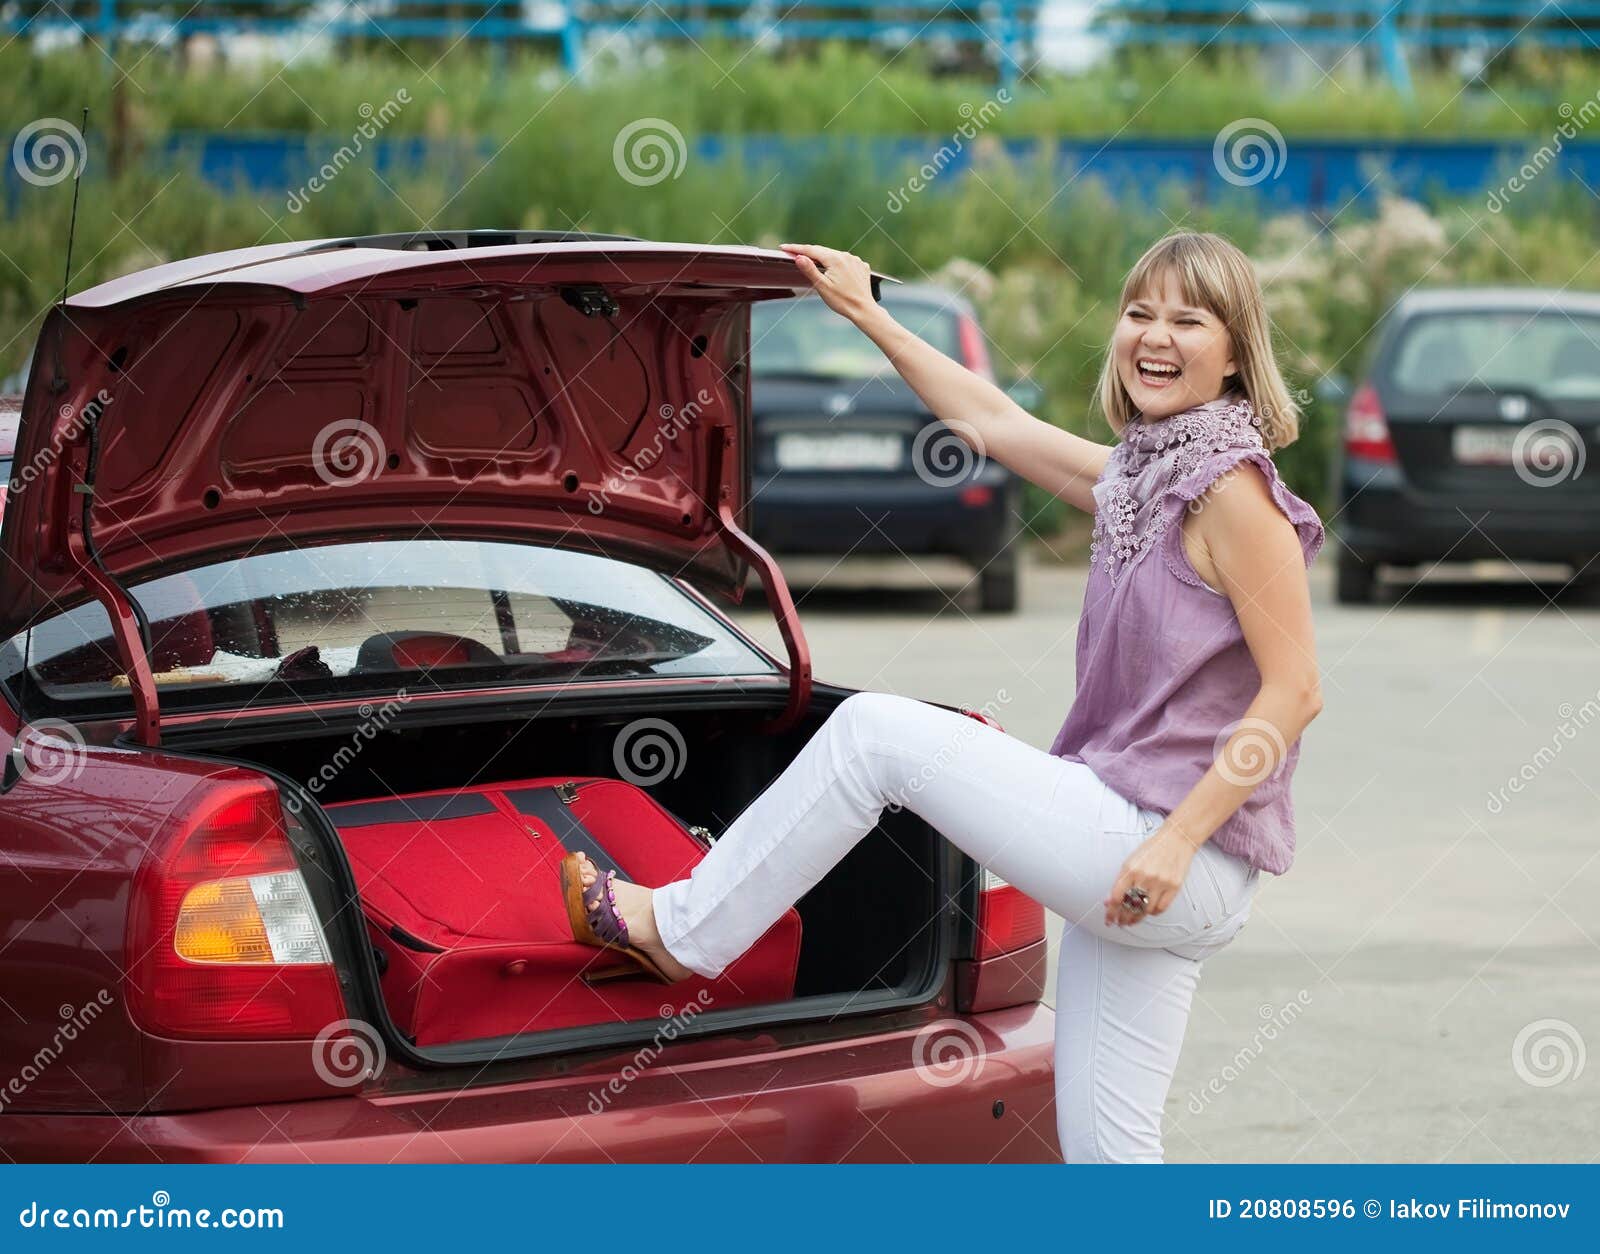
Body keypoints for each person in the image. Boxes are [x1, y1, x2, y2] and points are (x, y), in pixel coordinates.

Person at [560, 230, 1326, 1163]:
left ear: (1237, 351)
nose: (1154, 336)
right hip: (1138, 852)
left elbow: (1294, 693)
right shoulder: (1144, 475)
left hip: (1171, 847)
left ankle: (679, 931)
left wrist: (1176, 838)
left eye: (1187, 320)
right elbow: (992, 423)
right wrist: (865, 312)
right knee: (1109, 1154)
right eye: (1139, 313)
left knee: (875, 735)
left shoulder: (1233, 493)